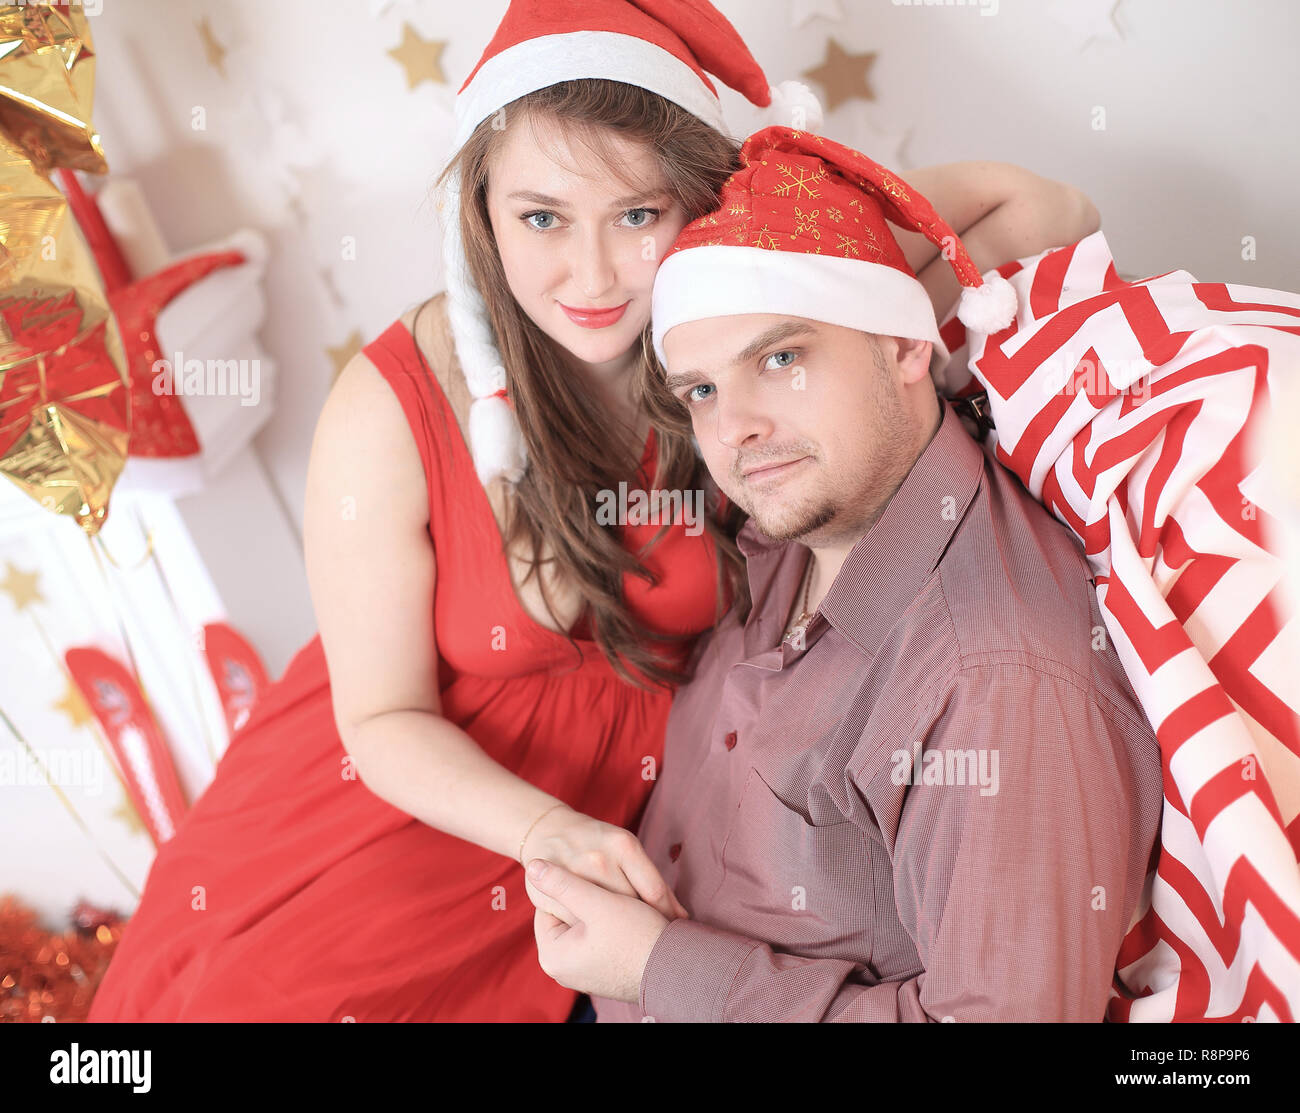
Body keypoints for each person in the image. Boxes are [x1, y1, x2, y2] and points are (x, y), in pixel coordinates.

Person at [88, 1, 1103, 1021]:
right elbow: (378, 720)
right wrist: (544, 833)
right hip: (370, 858)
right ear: (478, 214)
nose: (591, 276)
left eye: (635, 215)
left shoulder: (732, 335)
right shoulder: (400, 399)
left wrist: (784, 208)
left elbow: (1044, 211)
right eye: (541, 217)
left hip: (585, 904)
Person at [524, 127, 1166, 1022]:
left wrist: (661, 965)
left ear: (908, 346)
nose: (734, 428)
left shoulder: (993, 681)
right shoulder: (787, 522)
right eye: (702, 390)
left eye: (781, 358)